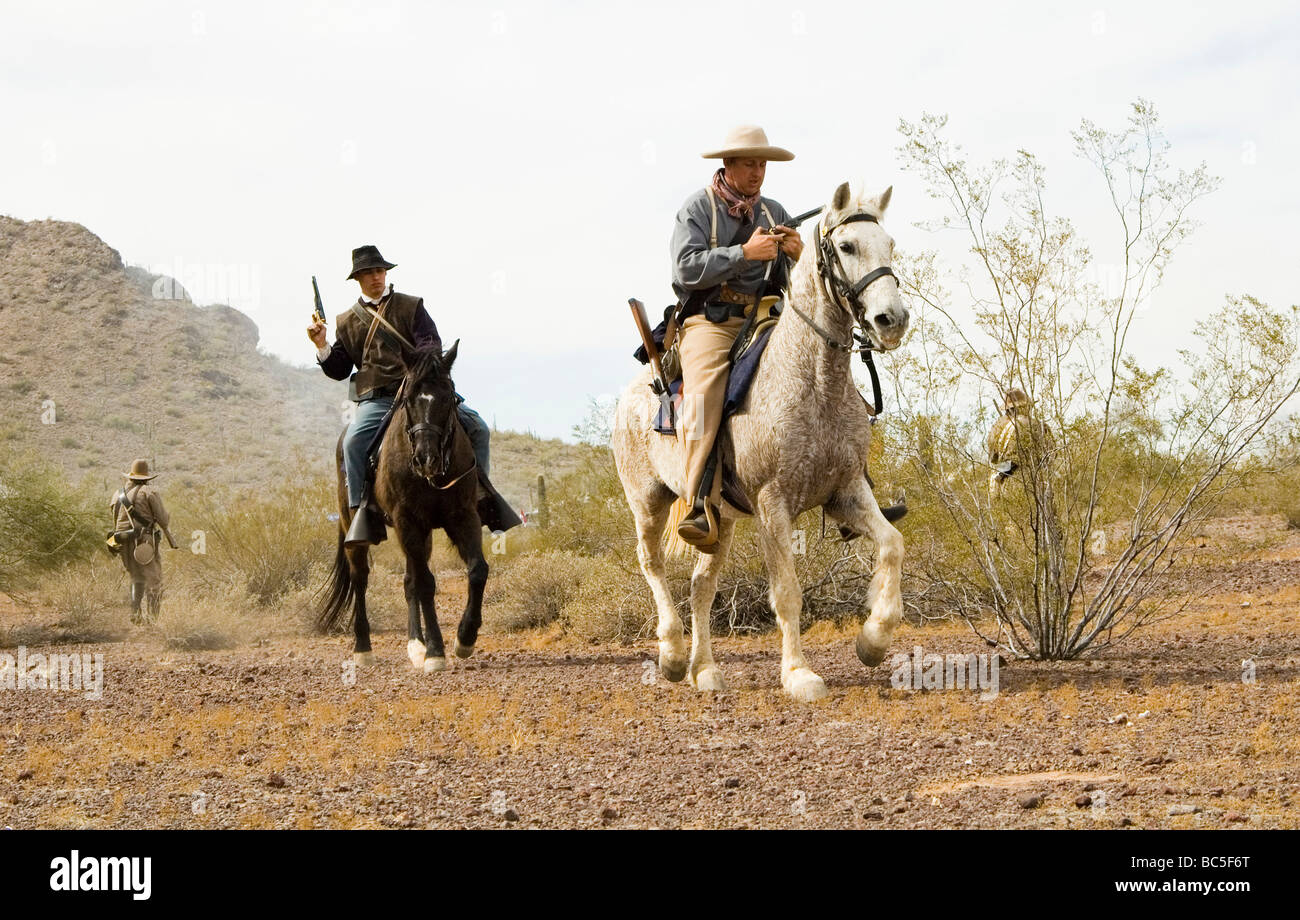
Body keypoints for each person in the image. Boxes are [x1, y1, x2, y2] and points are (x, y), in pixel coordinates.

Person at [669, 125, 803, 549]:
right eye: (749, 163)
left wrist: (798, 257)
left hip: (765, 314)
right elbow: (685, 269)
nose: (757, 172)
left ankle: (849, 484)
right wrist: (744, 253)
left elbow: (786, 281)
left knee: (819, 364)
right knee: (705, 393)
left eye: (762, 164)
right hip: (711, 321)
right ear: (727, 165)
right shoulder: (697, 208)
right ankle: (697, 504)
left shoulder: (775, 211)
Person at [307, 245, 491, 543]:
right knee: (353, 443)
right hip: (377, 399)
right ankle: (361, 514)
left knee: (478, 428)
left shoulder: (411, 306)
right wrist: (322, 345)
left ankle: (481, 495)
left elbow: (431, 342)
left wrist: (416, 369)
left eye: (379, 271)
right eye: (368, 273)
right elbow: (339, 368)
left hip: (418, 393)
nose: (376, 278)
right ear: (358, 279)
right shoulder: (346, 321)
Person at [110, 459, 171, 623]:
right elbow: (164, 521)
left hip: (122, 542)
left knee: (136, 577)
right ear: (146, 477)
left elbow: (115, 521)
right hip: (144, 542)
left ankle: (135, 615)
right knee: (154, 580)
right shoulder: (149, 492)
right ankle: (152, 621)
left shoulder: (117, 495)